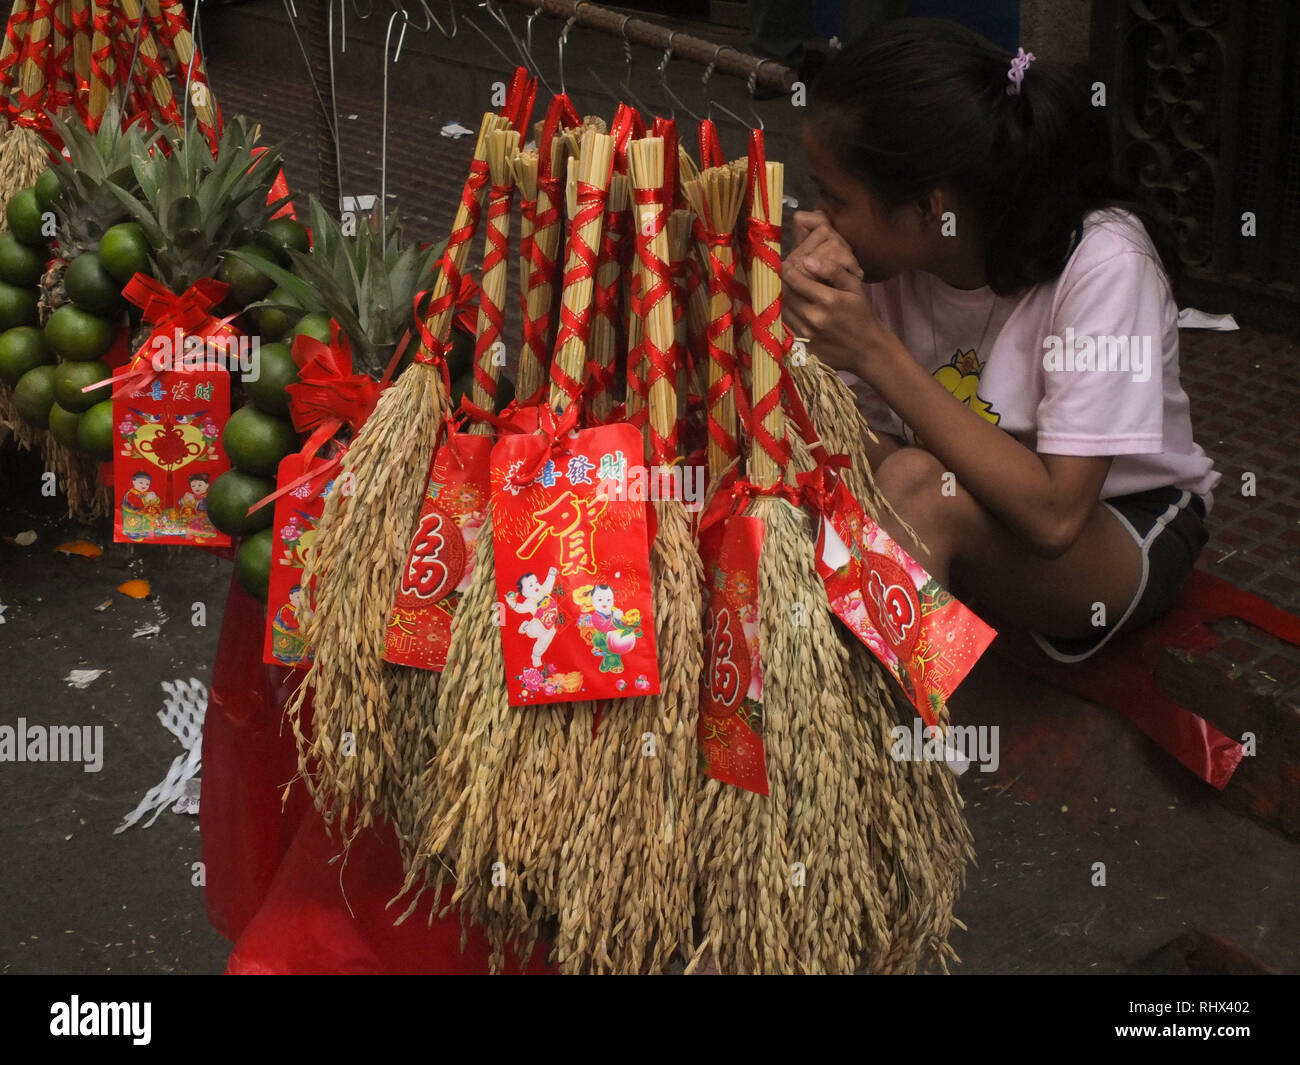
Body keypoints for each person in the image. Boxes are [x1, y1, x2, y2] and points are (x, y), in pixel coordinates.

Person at [782, 19, 1219, 661]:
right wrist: (806, 356)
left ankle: (881, 743)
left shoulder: (1105, 264)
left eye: (833, 196)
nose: (812, 218)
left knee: (920, 491)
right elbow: (864, 450)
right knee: (813, 450)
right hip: (959, 489)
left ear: (929, 210)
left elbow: (1053, 518)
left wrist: (872, 350)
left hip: (1121, 521)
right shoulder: (882, 262)